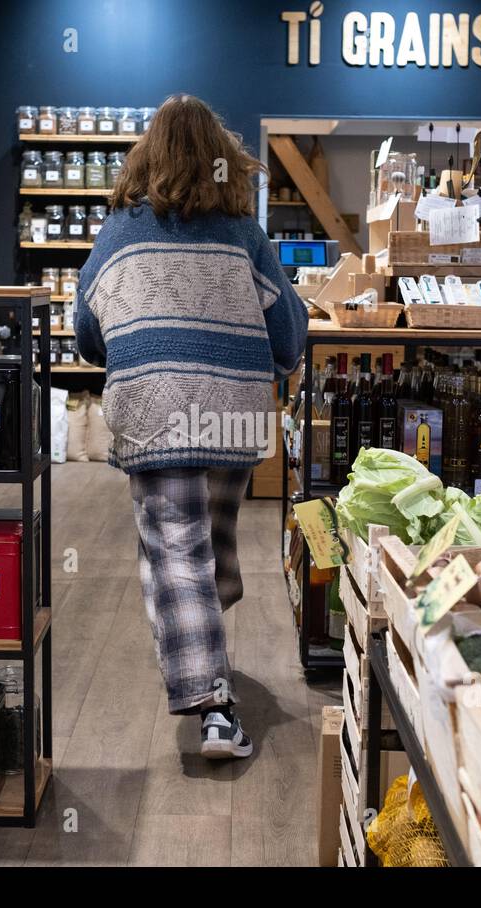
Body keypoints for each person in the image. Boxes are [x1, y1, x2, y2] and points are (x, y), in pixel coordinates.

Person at [75, 94, 308, 760]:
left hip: (155, 412)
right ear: (220, 161)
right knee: (213, 545)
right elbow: (288, 330)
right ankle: (209, 656)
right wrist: (281, 357)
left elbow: (88, 331)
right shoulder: (243, 233)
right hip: (231, 417)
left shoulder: (119, 230)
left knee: (177, 554)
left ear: (147, 156)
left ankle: (213, 710)